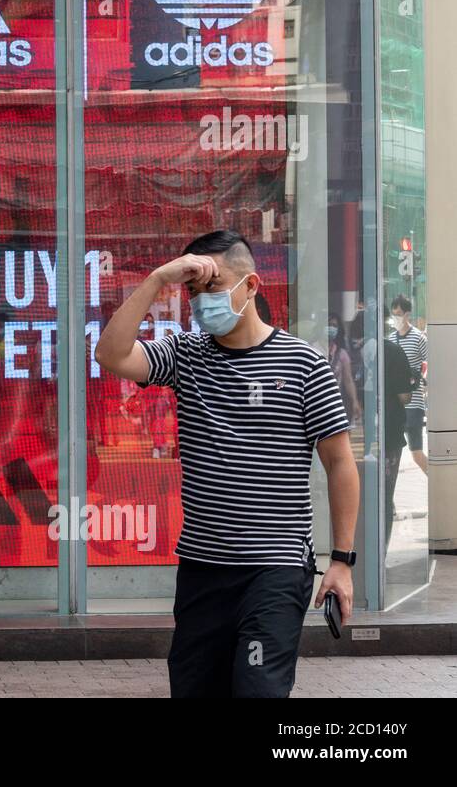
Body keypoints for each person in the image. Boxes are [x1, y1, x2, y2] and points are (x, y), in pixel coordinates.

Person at [94, 230, 359, 698]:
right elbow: (111, 354)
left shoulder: (303, 363)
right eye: (192, 292)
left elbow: (339, 462)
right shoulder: (186, 356)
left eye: (211, 288)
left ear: (251, 286)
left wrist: (341, 560)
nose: (199, 302)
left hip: (274, 569)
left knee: (257, 689)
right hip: (202, 567)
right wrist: (159, 279)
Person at [380, 334, 415, 551]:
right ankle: (380, 555)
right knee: (384, 497)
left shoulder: (346, 347)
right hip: (389, 430)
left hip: (353, 431)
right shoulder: (393, 351)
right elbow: (405, 396)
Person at [389, 296, 428, 474]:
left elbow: (430, 361)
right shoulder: (390, 338)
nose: (396, 318)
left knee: (416, 453)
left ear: (407, 315)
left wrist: (423, 380)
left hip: (414, 403)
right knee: (394, 452)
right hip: (395, 404)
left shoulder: (418, 338)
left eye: (399, 314)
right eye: (393, 314)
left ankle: (437, 485)